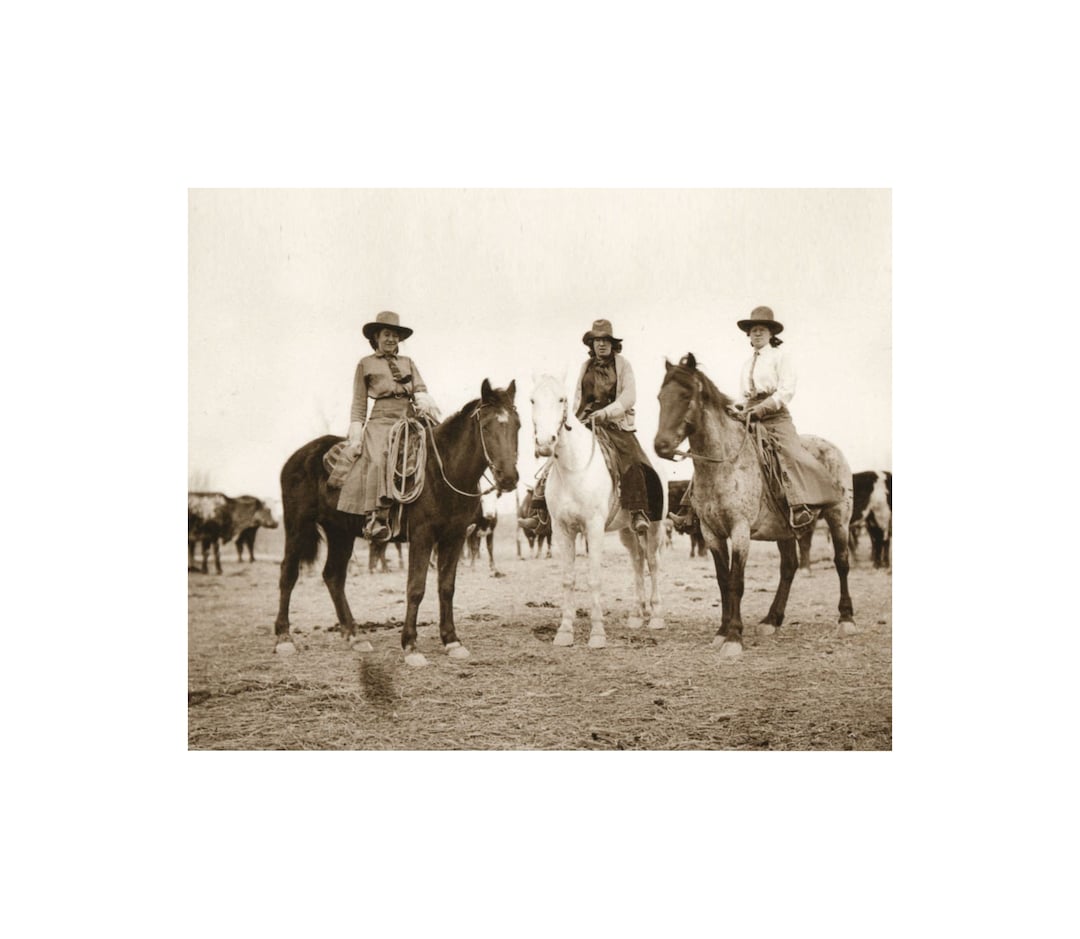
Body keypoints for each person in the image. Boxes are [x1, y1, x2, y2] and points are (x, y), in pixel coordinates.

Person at [530, 318, 658, 534]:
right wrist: (575, 421)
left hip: (615, 423)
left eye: (605, 340)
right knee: (557, 453)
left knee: (632, 458)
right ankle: (539, 508)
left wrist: (607, 412)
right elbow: (578, 397)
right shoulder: (585, 367)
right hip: (586, 422)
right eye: (597, 340)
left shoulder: (623, 365)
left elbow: (629, 396)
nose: (601, 344)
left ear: (612, 343)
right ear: (591, 344)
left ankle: (637, 512)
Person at [729, 305, 843, 529]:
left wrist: (763, 408)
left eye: (762, 329)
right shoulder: (745, 364)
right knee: (722, 445)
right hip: (749, 414)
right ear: (749, 336)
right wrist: (738, 409)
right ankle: (693, 508)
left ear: (772, 334)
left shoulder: (781, 357)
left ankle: (799, 505)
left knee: (789, 452)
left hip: (775, 414)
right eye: (753, 330)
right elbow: (743, 395)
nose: (757, 333)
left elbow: (786, 389)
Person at [335, 310, 439, 542]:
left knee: (441, 448)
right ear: (376, 337)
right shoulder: (366, 364)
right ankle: (377, 517)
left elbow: (420, 389)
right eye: (386, 334)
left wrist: (423, 400)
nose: (391, 339)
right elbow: (359, 402)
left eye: (395, 335)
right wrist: (356, 432)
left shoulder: (408, 363)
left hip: (410, 416)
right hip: (381, 419)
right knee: (382, 457)